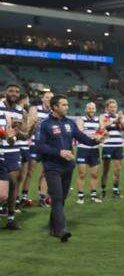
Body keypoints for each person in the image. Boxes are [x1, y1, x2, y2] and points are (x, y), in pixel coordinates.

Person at [34, 94, 107, 242]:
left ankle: (53, 225)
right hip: (52, 166)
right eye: (64, 105)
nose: (67, 107)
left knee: (61, 198)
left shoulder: (70, 123)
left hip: (68, 166)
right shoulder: (44, 124)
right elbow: (39, 145)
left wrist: (96, 141)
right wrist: (58, 152)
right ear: (55, 107)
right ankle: (62, 230)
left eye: (67, 104)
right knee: (57, 197)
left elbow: (82, 137)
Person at [0, 84, 30, 229]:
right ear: (6, 92)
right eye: (11, 90)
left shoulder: (21, 111)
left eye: (17, 91)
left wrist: (18, 132)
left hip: (12, 152)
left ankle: (11, 219)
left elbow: (25, 136)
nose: (14, 93)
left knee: (12, 184)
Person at [24, 90, 53, 207]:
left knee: (46, 172)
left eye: (51, 98)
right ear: (43, 99)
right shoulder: (35, 109)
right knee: (29, 172)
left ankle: (42, 197)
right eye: (47, 97)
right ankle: (24, 197)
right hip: (35, 144)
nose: (49, 99)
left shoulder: (54, 113)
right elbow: (29, 125)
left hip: (48, 145)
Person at [99, 99, 124, 199]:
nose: (113, 109)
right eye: (111, 107)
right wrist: (114, 121)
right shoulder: (103, 116)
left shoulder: (120, 116)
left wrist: (121, 120)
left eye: (114, 107)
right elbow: (102, 127)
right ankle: (103, 190)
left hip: (118, 146)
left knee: (117, 170)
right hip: (107, 146)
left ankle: (115, 191)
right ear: (107, 108)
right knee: (106, 170)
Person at [75, 102, 103, 204]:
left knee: (94, 174)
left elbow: (102, 133)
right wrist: (96, 135)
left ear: (95, 109)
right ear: (86, 109)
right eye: (89, 108)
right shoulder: (80, 119)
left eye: (93, 108)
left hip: (95, 149)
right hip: (83, 149)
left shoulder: (98, 120)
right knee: (82, 174)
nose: (91, 110)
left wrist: (100, 136)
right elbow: (80, 132)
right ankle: (80, 196)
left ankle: (93, 195)